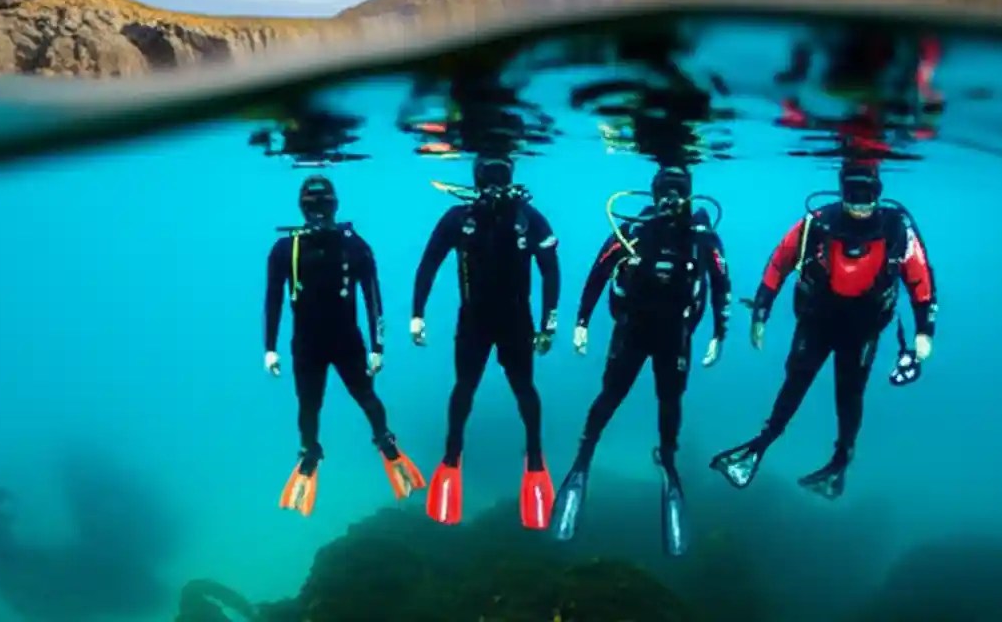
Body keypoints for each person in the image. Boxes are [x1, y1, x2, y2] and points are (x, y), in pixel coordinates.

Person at [709, 161, 937, 499]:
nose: (860, 204)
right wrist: (761, 310)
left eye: (868, 195)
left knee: (850, 393)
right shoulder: (818, 223)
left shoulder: (895, 229)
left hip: (862, 330)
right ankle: (762, 443)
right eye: (853, 194)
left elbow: (920, 278)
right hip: (817, 321)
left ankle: (841, 458)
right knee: (795, 381)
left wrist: (924, 330)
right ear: (841, 192)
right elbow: (781, 260)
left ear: (879, 194)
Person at [550, 165, 731, 556]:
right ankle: (584, 454)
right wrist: (581, 321)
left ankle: (668, 458)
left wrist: (720, 332)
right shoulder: (634, 229)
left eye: (678, 190)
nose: (671, 198)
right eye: (665, 191)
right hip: (633, 330)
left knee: (670, 401)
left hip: (674, 335)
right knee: (610, 395)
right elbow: (599, 271)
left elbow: (720, 283)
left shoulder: (701, 236)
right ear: (654, 194)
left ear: (689, 193)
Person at [411, 153, 561, 529]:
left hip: (513, 321)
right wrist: (417, 313)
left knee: (520, 388)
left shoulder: (528, 218)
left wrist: (549, 322)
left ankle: (535, 458)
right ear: (477, 179)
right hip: (478, 321)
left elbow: (550, 269)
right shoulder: (459, 218)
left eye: (500, 174)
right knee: (469, 387)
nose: (494, 183)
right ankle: (452, 456)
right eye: (488, 175)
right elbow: (429, 263)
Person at [264, 175, 424, 517]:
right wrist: (270, 347)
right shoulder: (285, 249)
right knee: (309, 405)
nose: (319, 212)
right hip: (308, 345)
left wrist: (378, 346)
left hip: (345, 341)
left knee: (365, 397)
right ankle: (309, 453)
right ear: (302, 209)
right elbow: (272, 300)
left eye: (324, 205)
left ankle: (386, 442)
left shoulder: (354, 246)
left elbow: (373, 297)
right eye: (312, 206)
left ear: (335, 206)